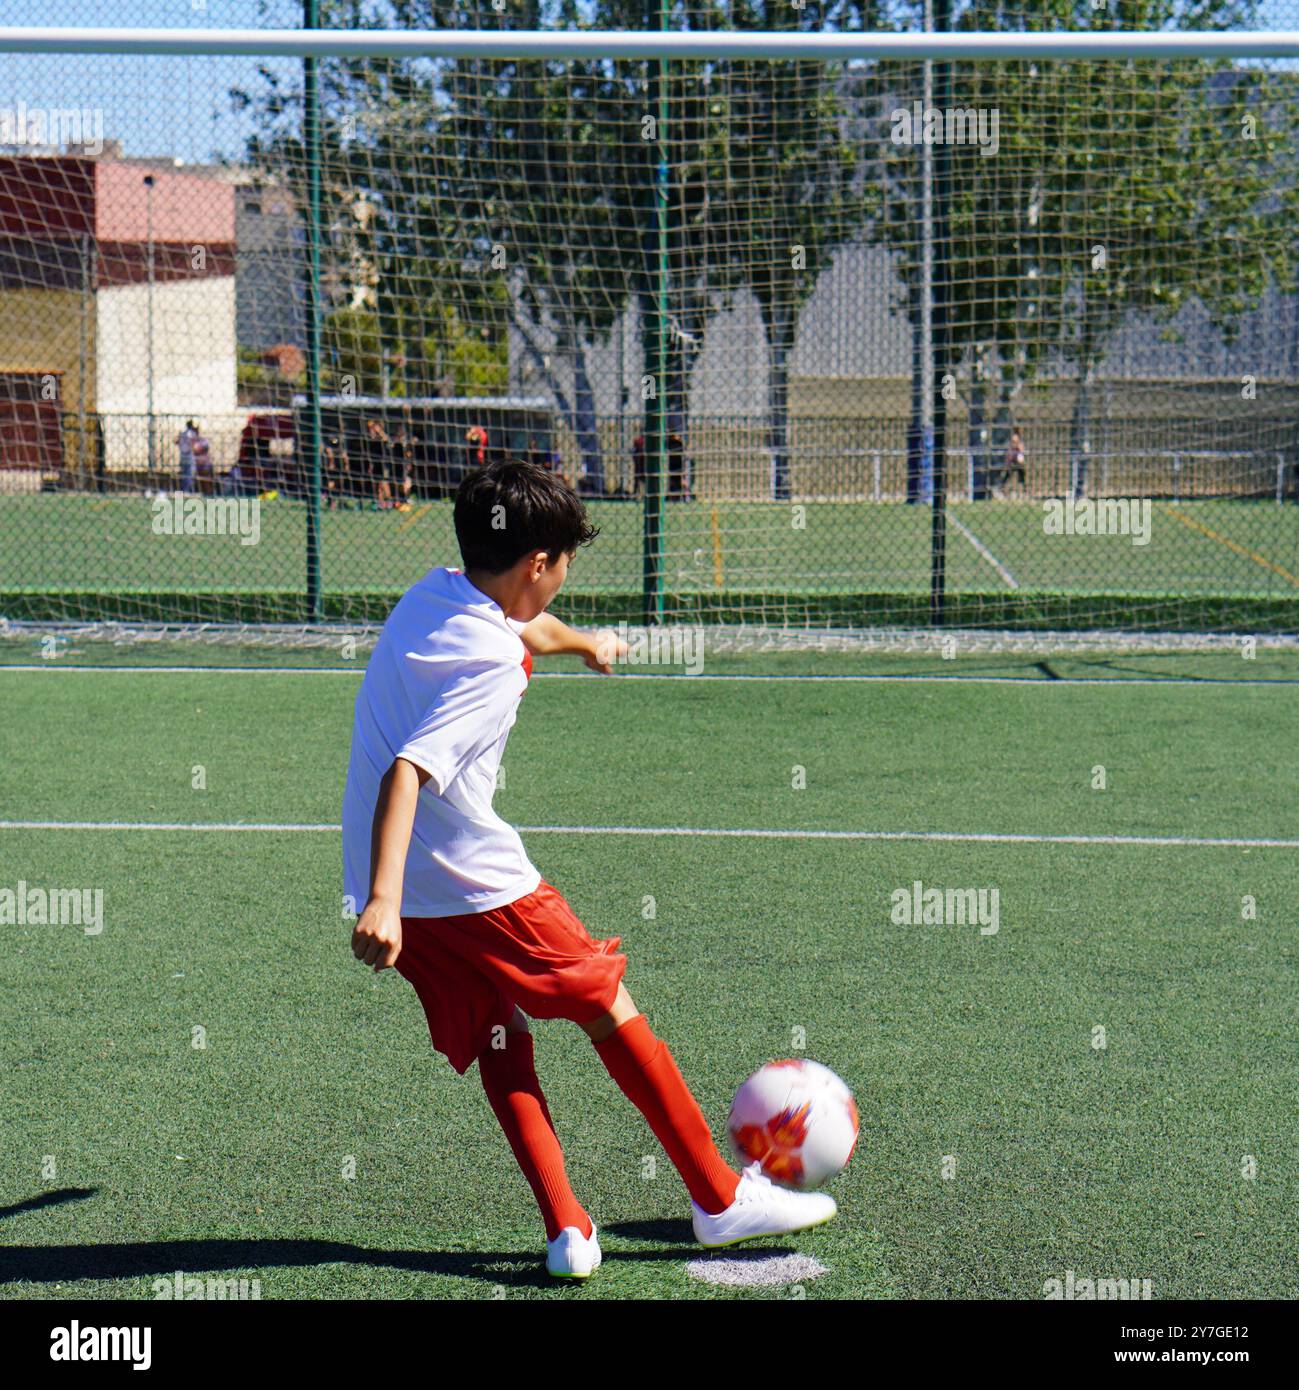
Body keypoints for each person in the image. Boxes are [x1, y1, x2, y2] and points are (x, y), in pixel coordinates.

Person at [344, 460, 836, 1279]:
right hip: (464, 885)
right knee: (606, 999)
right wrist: (385, 903)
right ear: (538, 565)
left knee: (502, 1036)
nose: (565, 575)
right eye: (564, 562)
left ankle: (568, 1230)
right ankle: (719, 1198)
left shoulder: (433, 594)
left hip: (398, 886)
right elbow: (409, 769)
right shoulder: (492, 671)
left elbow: (522, 626)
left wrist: (582, 642)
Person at [176, 420, 199, 493]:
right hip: (189, 455)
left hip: (182, 455)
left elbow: (176, 442)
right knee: (190, 473)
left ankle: (184, 490)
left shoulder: (183, 434)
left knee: (184, 473)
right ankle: (188, 490)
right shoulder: (192, 434)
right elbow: (194, 444)